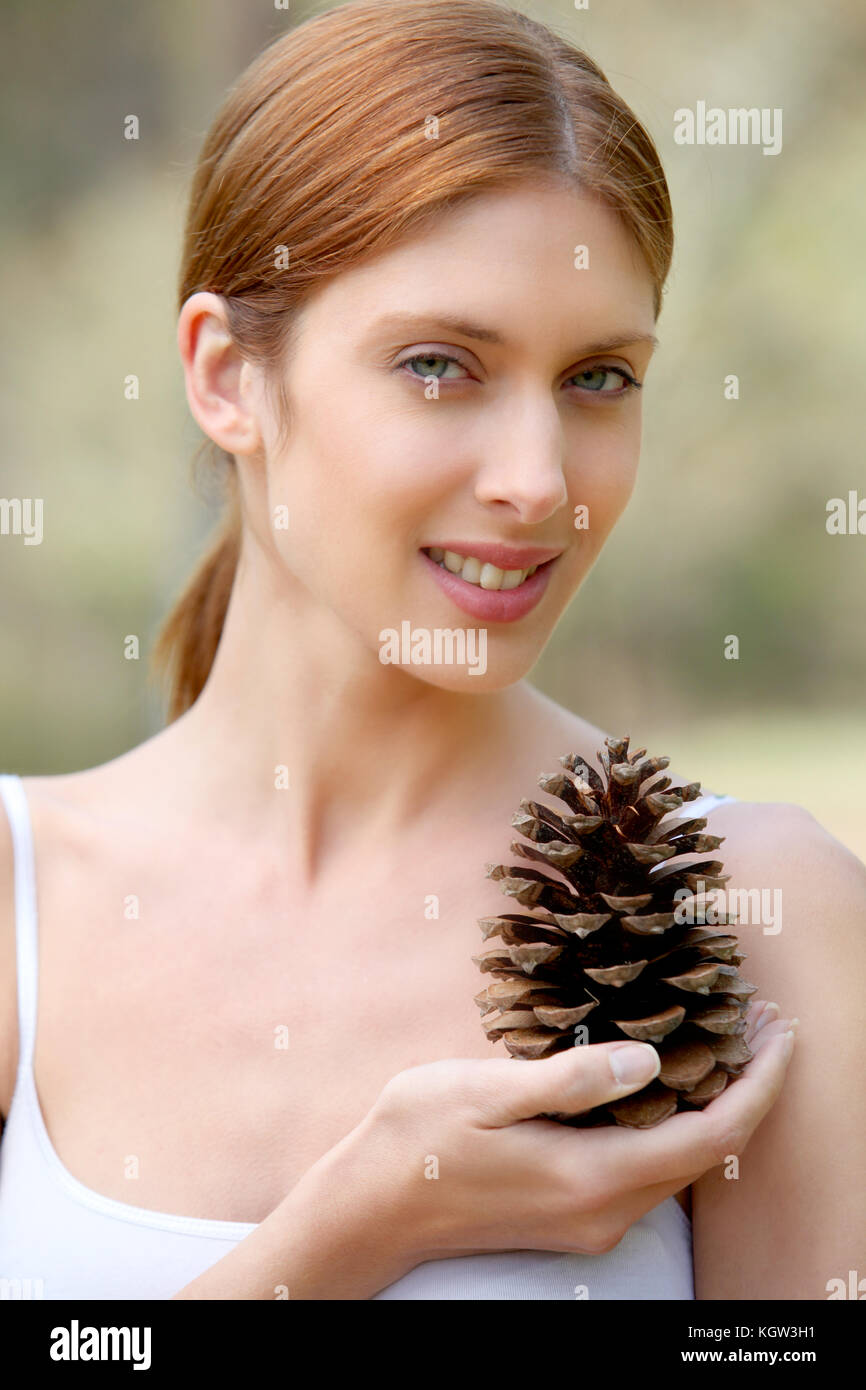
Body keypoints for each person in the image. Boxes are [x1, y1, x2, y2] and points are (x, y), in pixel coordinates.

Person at [1, 0, 862, 1301]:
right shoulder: (25, 908)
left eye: (598, 379)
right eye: (438, 365)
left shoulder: (752, 913)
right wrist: (361, 1227)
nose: (536, 479)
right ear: (227, 375)